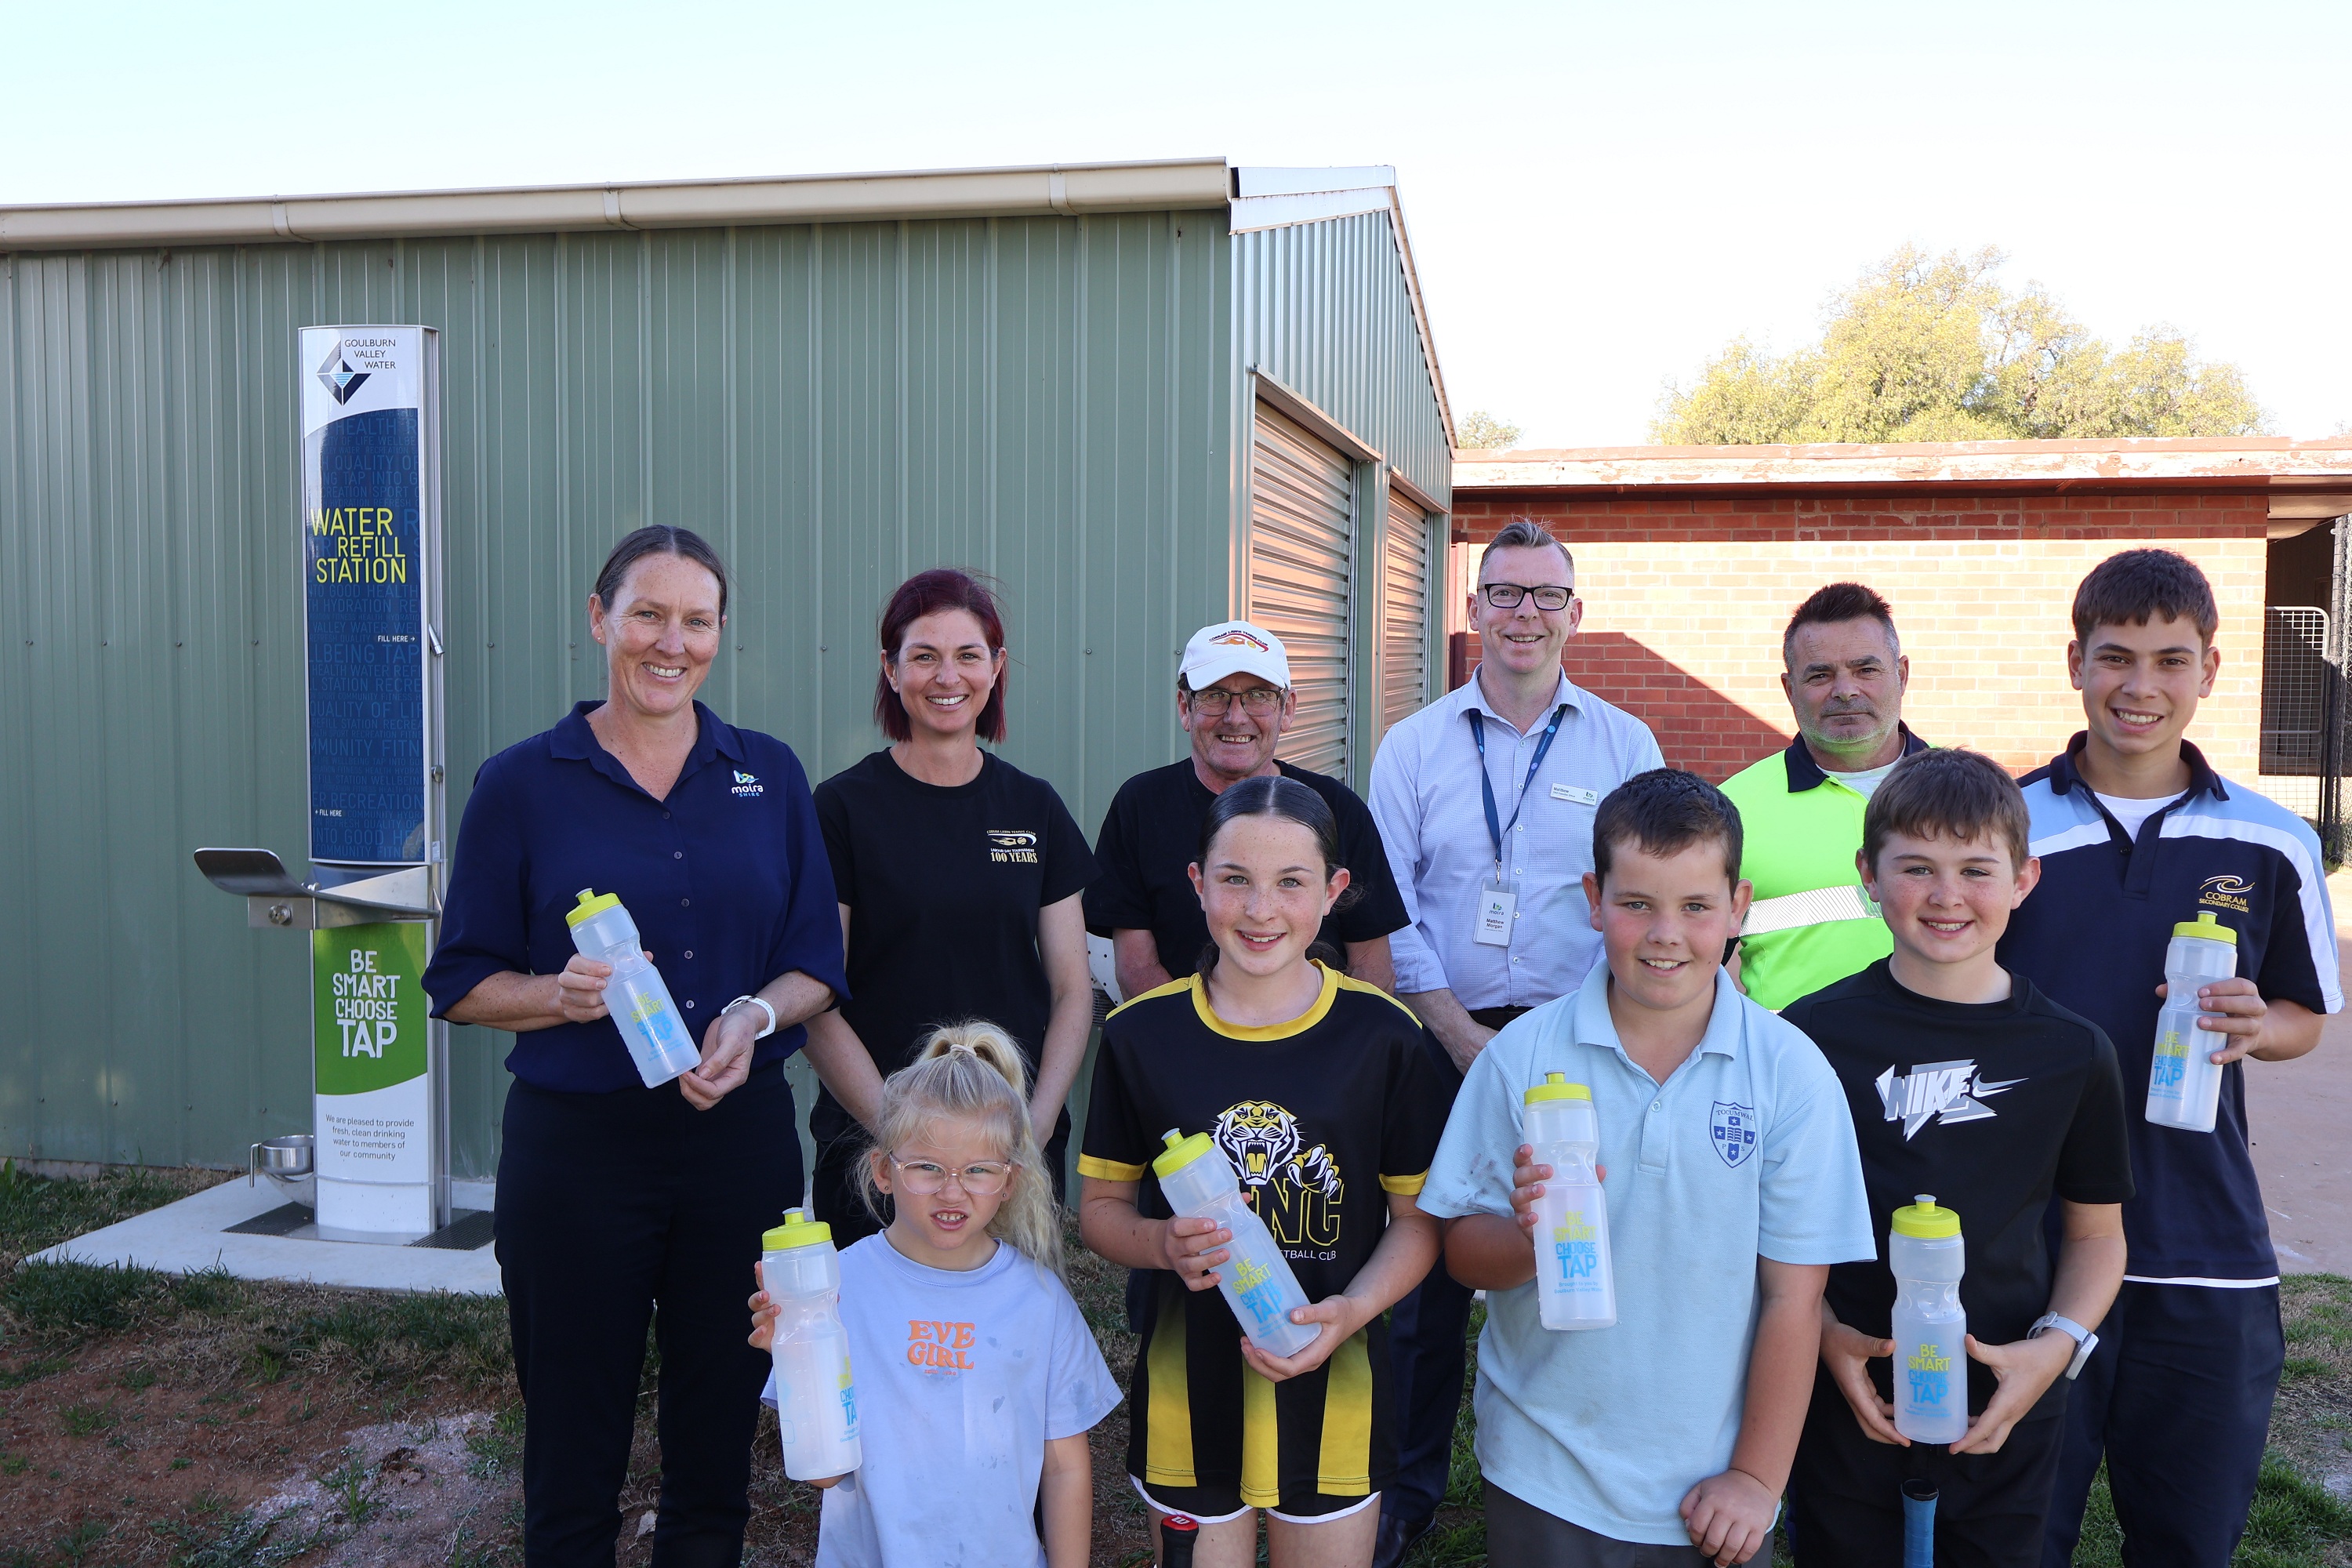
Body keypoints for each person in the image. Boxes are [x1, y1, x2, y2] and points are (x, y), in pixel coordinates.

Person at [424, 526, 858, 1566]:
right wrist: (555, 995)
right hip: (578, 1152)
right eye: (649, 615)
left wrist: (756, 1017)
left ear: (719, 634)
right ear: (599, 619)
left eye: (697, 621)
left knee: (716, 1444)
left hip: (737, 1144)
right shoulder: (522, 784)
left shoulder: (768, 773)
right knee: (575, 1444)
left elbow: (815, 963)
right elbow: (460, 984)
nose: (673, 643)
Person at [1419, 768, 1875, 1566]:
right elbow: (1461, 1249)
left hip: (1714, 1481)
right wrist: (1529, 1236)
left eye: (1697, 906)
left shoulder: (1790, 1071)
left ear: (1740, 906)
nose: (1667, 933)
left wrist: (1756, 1477)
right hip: (1544, 1464)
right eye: (1637, 903)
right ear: (1593, 898)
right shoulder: (1521, 1055)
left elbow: (1794, 1299)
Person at [1997, 550, 2340, 1567]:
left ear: (2210, 669)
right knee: (2015, 1534)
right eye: (2116, 658)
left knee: (2189, 1540)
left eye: (2169, 660)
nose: (2140, 687)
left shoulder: (2273, 838)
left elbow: (2304, 1019)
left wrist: (2253, 1027)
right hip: (2035, 1247)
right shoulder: (2012, 827)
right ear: (2076, 662)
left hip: (2208, 1247)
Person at [1363, 516, 1663, 1566]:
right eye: (1504, 594)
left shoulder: (1625, 744)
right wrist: (1449, 1026)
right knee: (1423, 1283)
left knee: (1571, 1261)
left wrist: (1563, 1036)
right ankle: (1403, 1493)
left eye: (1545, 595)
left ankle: (1568, 1481)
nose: (1524, 614)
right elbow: (1386, 905)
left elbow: (1642, 895)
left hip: (1577, 1048)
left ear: (1575, 614)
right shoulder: (1414, 745)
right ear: (1475, 610)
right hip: (1435, 1048)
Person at [1077, 776, 1450, 1568]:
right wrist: (1159, 1243)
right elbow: (1103, 1208)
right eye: (1235, 879)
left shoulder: (1383, 1035)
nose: (1260, 909)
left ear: (1335, 892)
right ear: (1196, 883)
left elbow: (1418, 1222)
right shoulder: (1142, 1034)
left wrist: (1351, 1310)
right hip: (1190, 1393)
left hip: (1336, 1385)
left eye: (1291, 882)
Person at [1780, 748, 2132, 1565]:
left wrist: (2056, 1346)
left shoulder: (2074, 1051)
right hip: (1847, 1392)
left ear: (2024, 879)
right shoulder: (1808, 1036)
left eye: (1977, 868)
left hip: (2007, 1402)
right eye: (1917, 867)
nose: (1946, 895)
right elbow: (1768, 1223)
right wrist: (1822, 1331)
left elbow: (2095, 1234)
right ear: (1868, 872)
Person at [749, 1024, 1123, 1568]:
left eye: (978, 1171)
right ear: (883, 1170)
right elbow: (823, 1472)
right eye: (927, 1167)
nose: (953, 1191)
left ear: (1010, 1180)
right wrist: (795, 1350)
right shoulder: (834, 1289)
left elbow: (1065, 1468)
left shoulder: (1039, 1301)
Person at [804, 568, 1097, 1244]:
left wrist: (1035, 1126)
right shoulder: (842, 809)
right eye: (924, 655)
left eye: (968, 655)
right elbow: (817, 1000)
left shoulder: (1034, 807)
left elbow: (1071, 989)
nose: (947, 677)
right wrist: (909, 1142)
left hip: (1012, 1142)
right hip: (877, 1144)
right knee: (881, 1343)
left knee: (1008, 1335)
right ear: (891, 667)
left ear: (995, 668)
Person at [1088, 619, 1409, 1002]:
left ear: (1287, 709)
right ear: (1184, 707)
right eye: (1214, 695)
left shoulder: (1337, 809)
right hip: (1184, 1049)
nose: (1235, 717)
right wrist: (1200, 1048)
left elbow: (1372, 967)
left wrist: (1331, 1051)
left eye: (1258, 695)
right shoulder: (1140, 805)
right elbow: (1136, 967)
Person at [1719, 582, 1930, 1011]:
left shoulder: (1974, 796)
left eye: (1866, 670)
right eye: (1820, 675)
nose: (1845, 690)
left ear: (1902, 675)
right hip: (1790, 1066)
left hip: (1944, 1065)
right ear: (1789, 688)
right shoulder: (1726, 811)